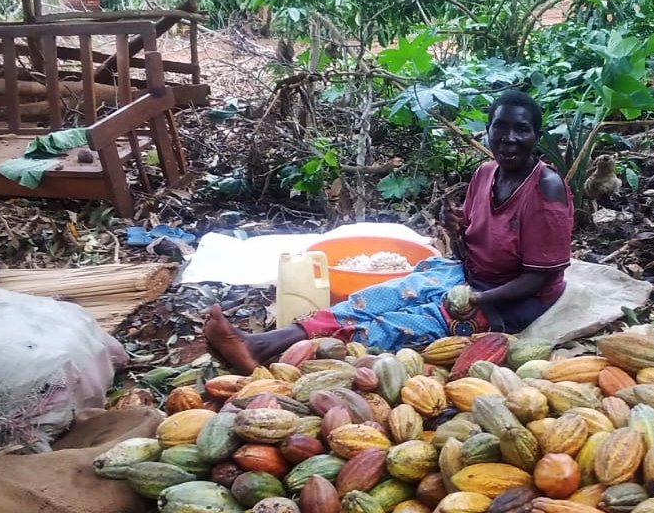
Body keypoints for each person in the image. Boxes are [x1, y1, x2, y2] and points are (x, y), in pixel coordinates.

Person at [204, 89, 573, 371]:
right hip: (469, 278)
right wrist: (456, 230)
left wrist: (478, 300)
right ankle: (260, 343)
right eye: (500, 128)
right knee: (370, 300)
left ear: (536, 136)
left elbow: (539, 279)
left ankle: (274, 354)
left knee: (398, 326)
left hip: (513, 301)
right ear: (488, 130)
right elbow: (470, 252)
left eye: (521, 130)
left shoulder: (546, 189)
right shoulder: (485, 174)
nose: (509, 139)